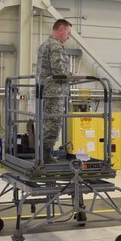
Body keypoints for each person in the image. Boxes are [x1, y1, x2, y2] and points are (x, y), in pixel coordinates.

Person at [36, 18, 73, 163]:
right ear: (61, 29)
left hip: (46, 90)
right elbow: (59, 71)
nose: (69, 36)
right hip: (54, 92)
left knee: (47, 121)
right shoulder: (56, 46)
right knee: (54, 122)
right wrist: (72, 77)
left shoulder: (45, 44)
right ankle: (45, 155)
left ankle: (43, 153)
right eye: (68, 33)